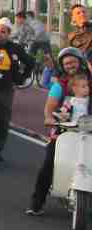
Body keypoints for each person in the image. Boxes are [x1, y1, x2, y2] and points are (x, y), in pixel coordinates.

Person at [27, 48, 89, 215]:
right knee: (49, 164)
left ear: (80, 61)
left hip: (89, 131)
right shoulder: (59, 85)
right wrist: (49, 118)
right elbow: (50, 106)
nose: (70, 65)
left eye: (73, 61)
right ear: (62, 66)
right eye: (66, 63)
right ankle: (36, 203)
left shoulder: (90, 80)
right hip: (64, 131)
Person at [0, 18, 34, 161]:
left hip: (4, 88)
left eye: (3, 32)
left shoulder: (15, 48)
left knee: (2, 119)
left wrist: (21, 78)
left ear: (9, 34)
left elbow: (31, 62)